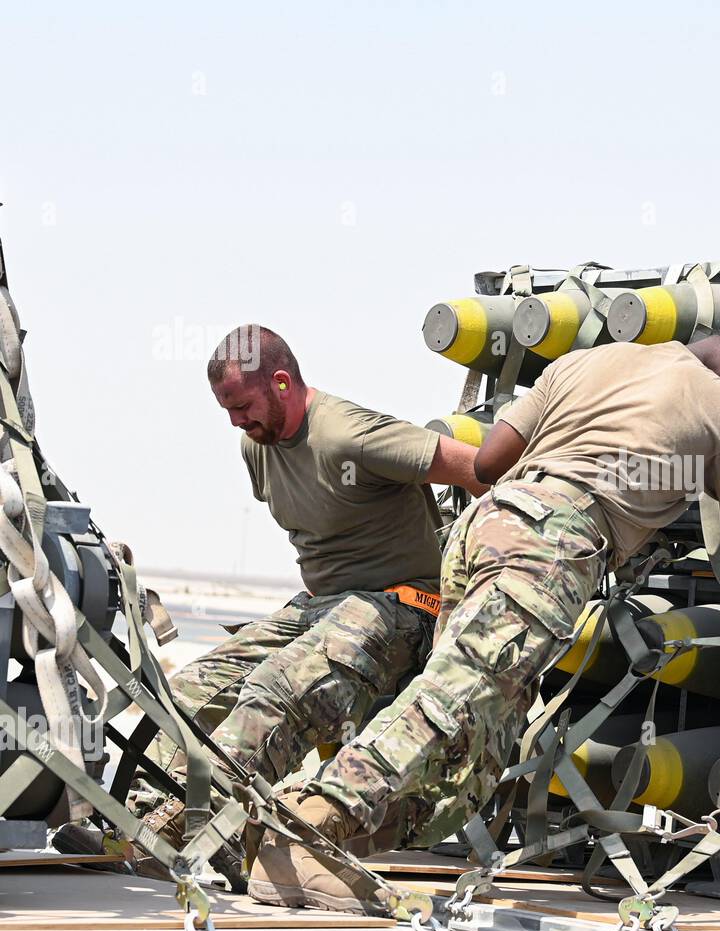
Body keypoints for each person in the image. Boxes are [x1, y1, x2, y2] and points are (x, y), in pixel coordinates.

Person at [247, 325, 720, 913]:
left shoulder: (590, 360)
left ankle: (338, 842)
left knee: (479, 739)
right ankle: (312, 822)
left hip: (479, 531)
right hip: (550, 550)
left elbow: (487, 464)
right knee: (451, 707)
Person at [102, 324, 482, 876]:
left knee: (275, 688)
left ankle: (200, 825)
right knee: (187, 689)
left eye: (243, 406)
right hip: (322, 606)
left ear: (282, 383)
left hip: (403, 609)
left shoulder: (348, 435)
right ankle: (136, 815)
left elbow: (480, 471)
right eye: (226, 410)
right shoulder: (254, 446)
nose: (236, 421)